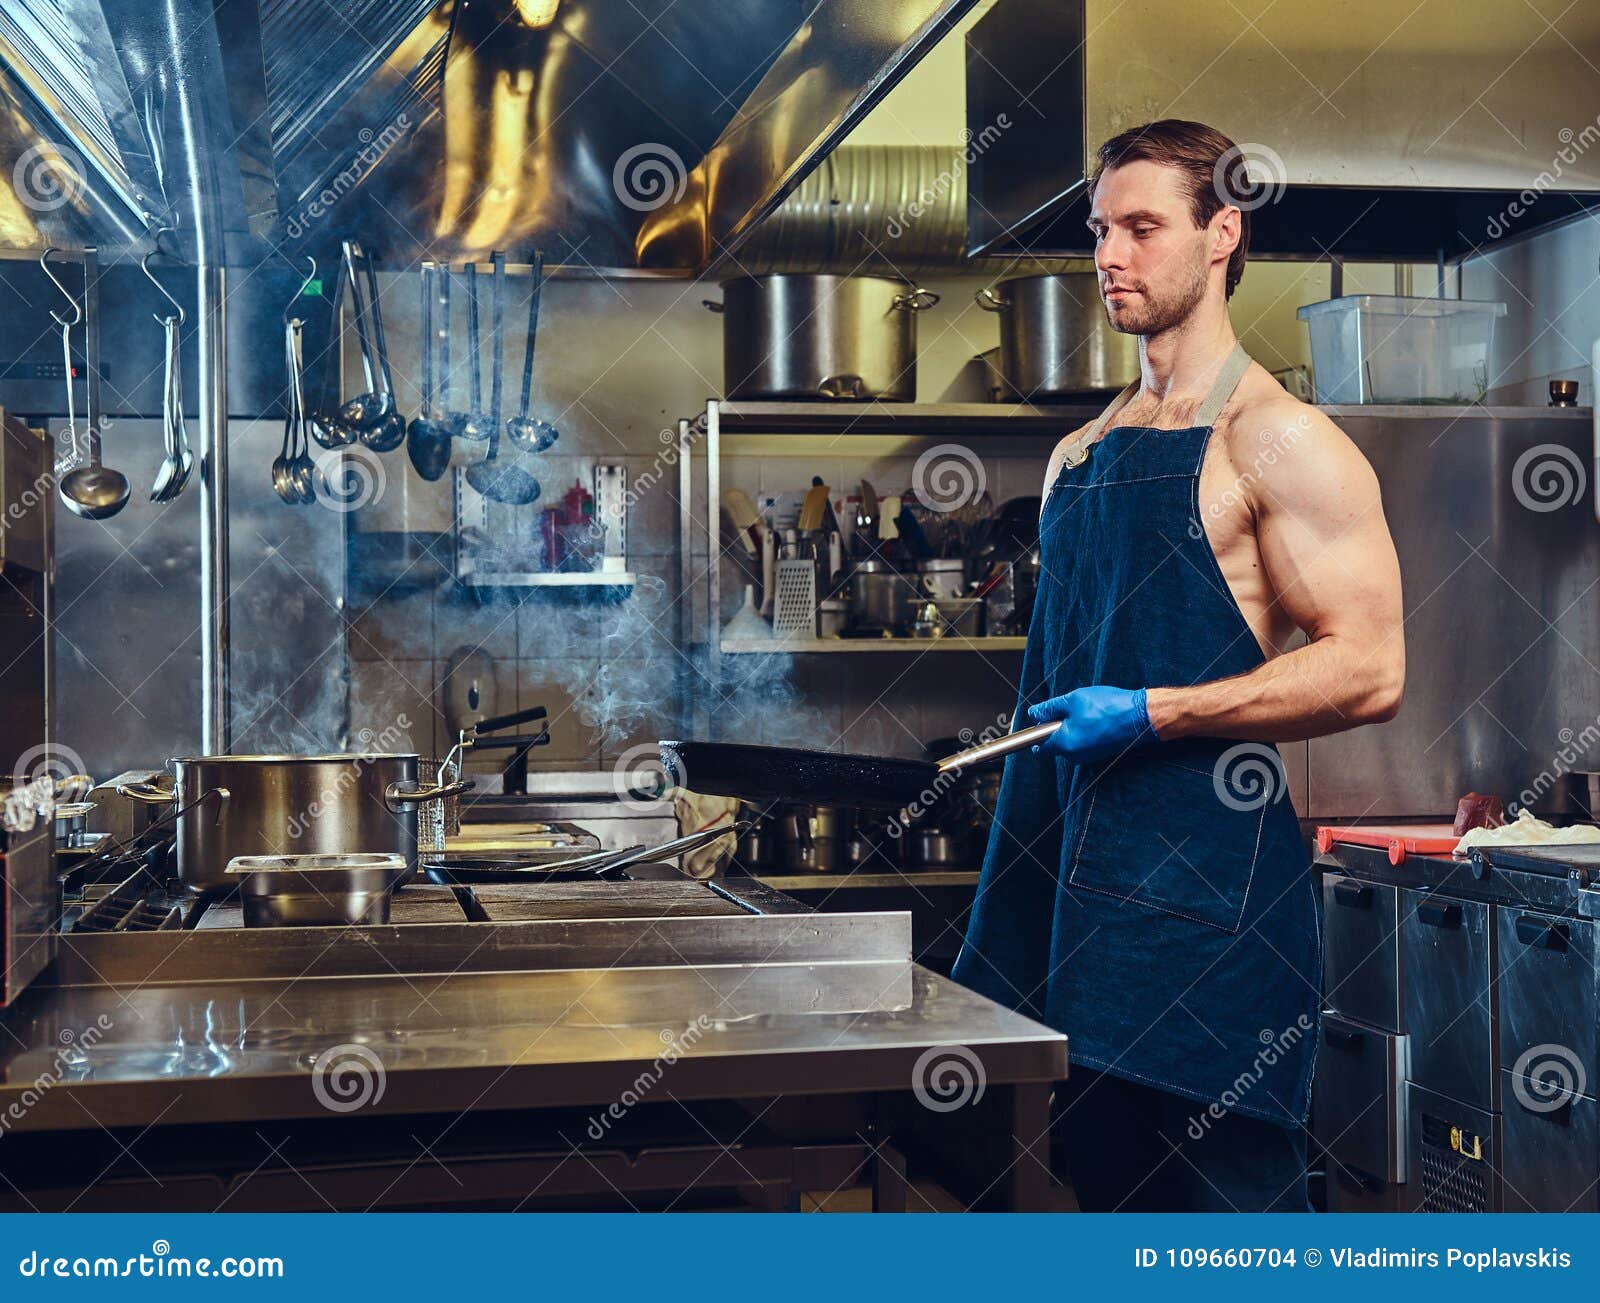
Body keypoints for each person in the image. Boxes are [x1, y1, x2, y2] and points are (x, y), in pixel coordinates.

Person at [951, 119, 1405, 1212]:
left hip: (1212, 928)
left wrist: (1152, 712)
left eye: (1143, 228)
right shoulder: (1081, 456)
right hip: (1082, 916)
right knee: (1107, 1215)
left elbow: (1371, 669)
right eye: (1100, 229)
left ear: (1220, 236)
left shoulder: (1277, 440)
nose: (1109, 255)